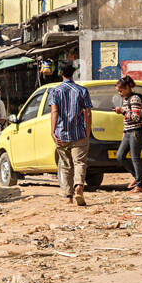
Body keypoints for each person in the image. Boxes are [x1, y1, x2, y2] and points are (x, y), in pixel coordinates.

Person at [47, 60, 93, 206]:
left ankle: (68, 196)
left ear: (60, 73)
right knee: (79, 162)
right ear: (73, 73)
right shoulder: (82, 90)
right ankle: (79, 185)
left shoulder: (55, 91)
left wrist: (53, 131)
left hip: (61, 134)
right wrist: (87, 130)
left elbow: (54, 111)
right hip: (79, 132)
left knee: (66, 165)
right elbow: (88, 113)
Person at [114, 75, 142, 192]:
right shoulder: (125, 100)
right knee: (120, 156)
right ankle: (137, 177)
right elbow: (126, 120)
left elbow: (136, 117)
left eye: (121, 90)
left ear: (128, 88)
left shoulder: (134, 99)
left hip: (135, 132)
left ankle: (139, 186)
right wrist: (124, 132)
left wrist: (122, 111)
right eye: (118, 91)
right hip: (128, 132)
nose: (120, 93)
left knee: (135, 158)